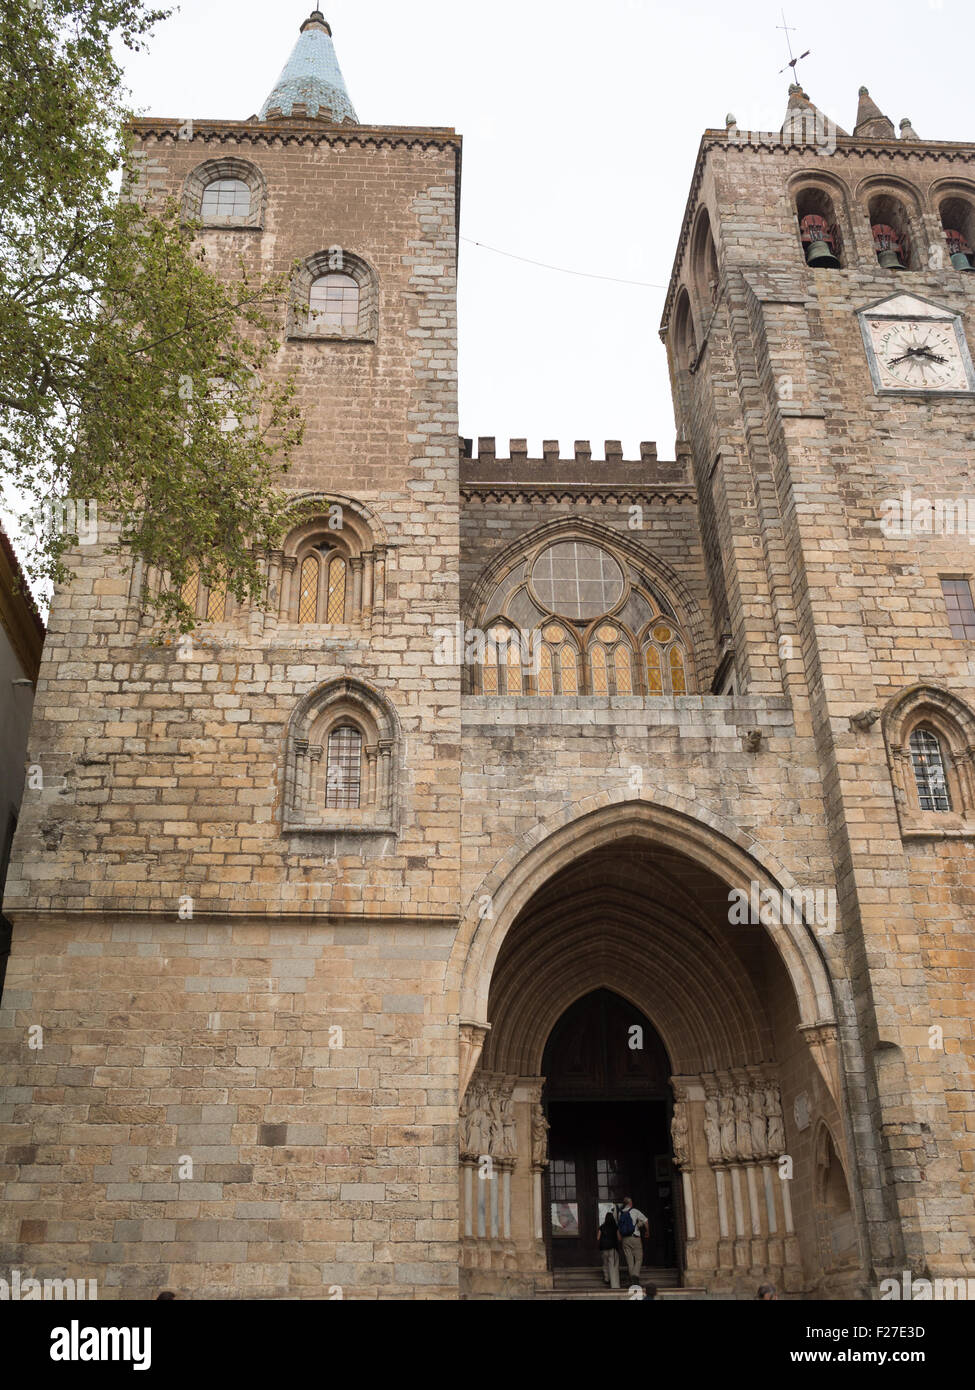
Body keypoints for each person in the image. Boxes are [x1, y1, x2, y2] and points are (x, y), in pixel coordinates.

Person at [617, 1196, 649, 1283]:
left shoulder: (620, 1213)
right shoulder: (635, 1211)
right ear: (630, 1203)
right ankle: (635, 1276)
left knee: (629, 1260)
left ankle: (632, 1279)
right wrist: (647, 1232)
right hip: (635, 1238)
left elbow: (619, 1227)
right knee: (639, 1258)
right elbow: (646, 1220)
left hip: (625, 1239)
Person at [597, 1209, 621, 1289]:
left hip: (604, 1248)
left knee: (605, 1263)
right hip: (613, 1249)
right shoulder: (615, 1227)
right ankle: (615, 1286)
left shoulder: (602, 1227)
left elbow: (598, 1238)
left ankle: (607, 1278)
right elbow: (619, 1238)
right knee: (613, 1266)